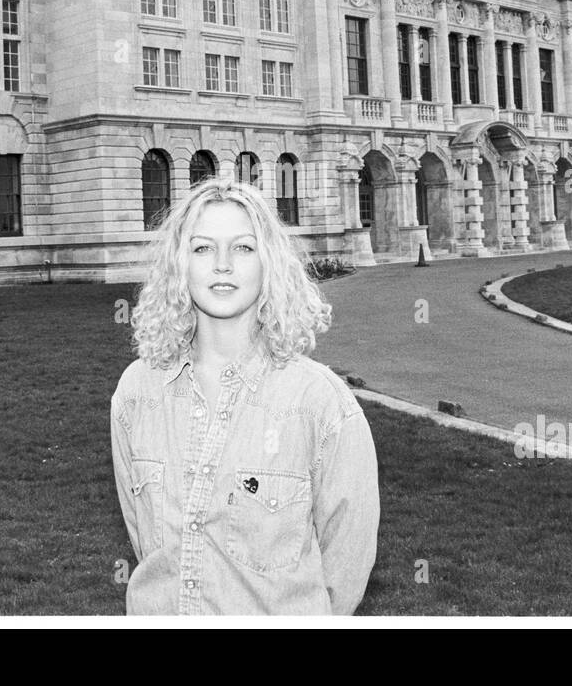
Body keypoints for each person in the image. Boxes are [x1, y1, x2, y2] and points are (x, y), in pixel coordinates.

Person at [111, 177, 380, 615]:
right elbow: (147, 544)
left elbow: (344, 571)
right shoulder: (136, 393)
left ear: (268, 262)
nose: (222, 265)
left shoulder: (322, 406)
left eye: (242, 248)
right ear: (179, 264)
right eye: (202, 248)